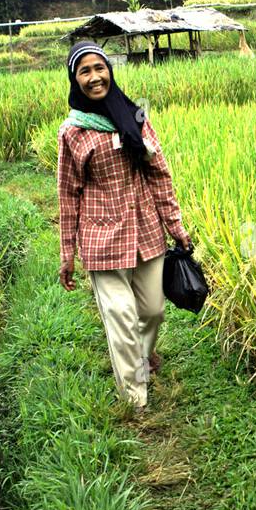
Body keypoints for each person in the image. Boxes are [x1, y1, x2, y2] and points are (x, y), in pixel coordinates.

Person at [57, 40, 191, 413]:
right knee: (121, 319)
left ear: (110, 72)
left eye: (99, 68)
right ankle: (135, 398)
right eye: (84, 71)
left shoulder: (134, 116)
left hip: (146, 230)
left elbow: (159, 173)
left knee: (151, 312)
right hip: (102, 238)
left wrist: (175, 226)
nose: (94, 77)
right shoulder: (73, 132)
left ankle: (143, 360)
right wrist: (67, 252)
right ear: (74, 79)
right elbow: (68, 194)